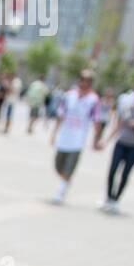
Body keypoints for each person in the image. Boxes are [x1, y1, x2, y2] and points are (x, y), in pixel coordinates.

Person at [49, 69, 100, 205]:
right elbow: (61, 115)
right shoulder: (69, 95)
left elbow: (96, 120)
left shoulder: (93, 99)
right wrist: (54, 133)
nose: (84, 83)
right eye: (83, 80)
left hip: (78, 140)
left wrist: (96, 140)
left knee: (69, 167)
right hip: (64, 137)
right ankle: (65, 181)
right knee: (58, 165)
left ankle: (61, 191)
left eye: (88, 81)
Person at [100, 82, 134, 212]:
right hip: (121, 143)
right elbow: (118, 125)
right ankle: (109, 198)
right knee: (112, 170)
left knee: (125, 174)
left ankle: (116, 200)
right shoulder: (128, 107)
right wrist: (106, 140)